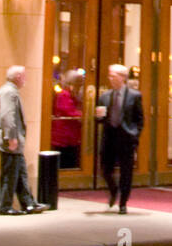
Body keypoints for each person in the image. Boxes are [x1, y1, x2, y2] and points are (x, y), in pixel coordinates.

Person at [0, 66, 49, 215]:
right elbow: (7, 115)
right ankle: (4, 206)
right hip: (9, 140)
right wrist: (11, 137)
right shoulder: (9, 92)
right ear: (18, 76)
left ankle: (28, 203)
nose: (26, 79)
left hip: (11, 140)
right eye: (24, 76)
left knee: (20, 172)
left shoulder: (7, 91)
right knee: (10, 174)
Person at [95, 64, 144, 214]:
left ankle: (123, 202)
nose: (110, 78)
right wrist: (98, 117)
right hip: (109, 137)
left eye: (113, 76)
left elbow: (139, 118)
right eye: (109, 75)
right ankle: (113, 189)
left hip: (126, 137)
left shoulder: (134, 96)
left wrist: (135, 134)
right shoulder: (104, 96)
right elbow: (99, 119)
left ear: (122, 77)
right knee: (105, 168)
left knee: (126, 172)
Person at [51, 70, 83, 170]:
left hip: (70, 136)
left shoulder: (71, 94)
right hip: (64, 136)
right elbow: (68, 111)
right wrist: (82, 115)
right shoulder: (64, 94)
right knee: (66, 162)